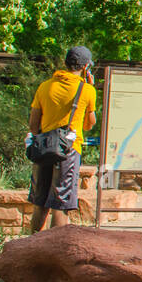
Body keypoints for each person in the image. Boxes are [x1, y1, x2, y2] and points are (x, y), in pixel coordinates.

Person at [28, 46, 98, 232]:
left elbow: (33, 124)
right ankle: (54, 251)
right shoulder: (87, 90)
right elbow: (89, 124)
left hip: (42, 149)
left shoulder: (45, 86)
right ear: (85, 68)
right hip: (69, 150)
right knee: (61, 204)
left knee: (40, 202)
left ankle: (32, 248)